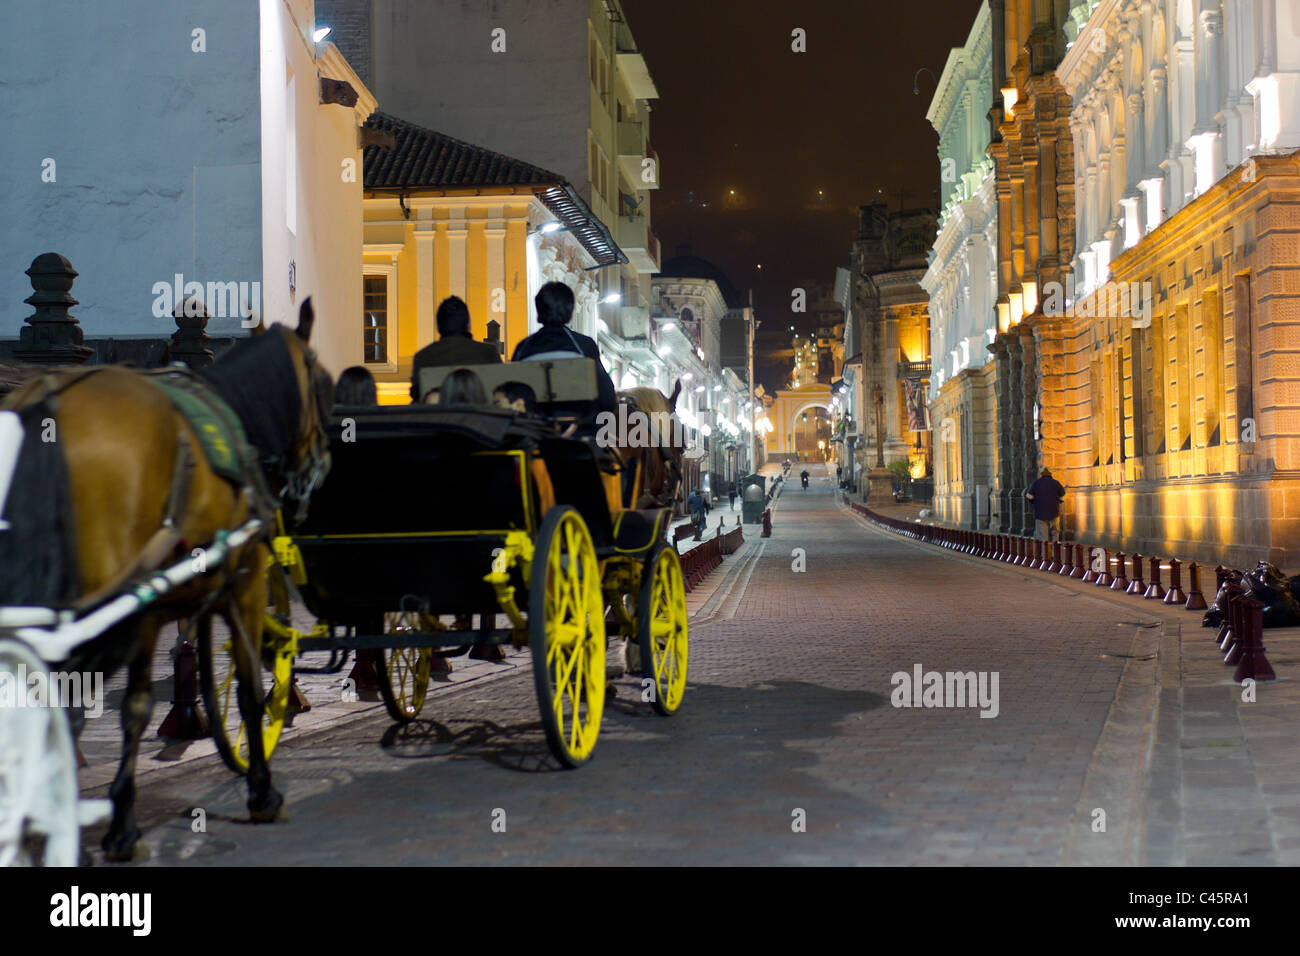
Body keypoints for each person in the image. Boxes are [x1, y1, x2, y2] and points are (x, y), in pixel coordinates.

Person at [511, 281, 617, 432]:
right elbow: (606, 399)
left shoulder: (523, 348)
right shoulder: (583, 346)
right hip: (579, 433)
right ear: (570, 310)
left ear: (539, 309)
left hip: (534, 433)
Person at [409, 296, 501, 401]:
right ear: (468, 324)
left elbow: (416, 396)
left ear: (438, 326)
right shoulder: (488, 352)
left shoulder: (423, 357)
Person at [1026, 466, 1066, 541]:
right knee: (1055, 533)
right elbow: (1062, 495)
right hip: (1054, 512)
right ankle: (1055, 550)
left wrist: (1034, 501)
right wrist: (1058, 501)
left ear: (1041, 474)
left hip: (1040, 513)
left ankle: (1045, 551)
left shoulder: (1036, 483)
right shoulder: (1056, 482)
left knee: (1042, 537)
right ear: (1050, 475)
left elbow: (1028, 496)